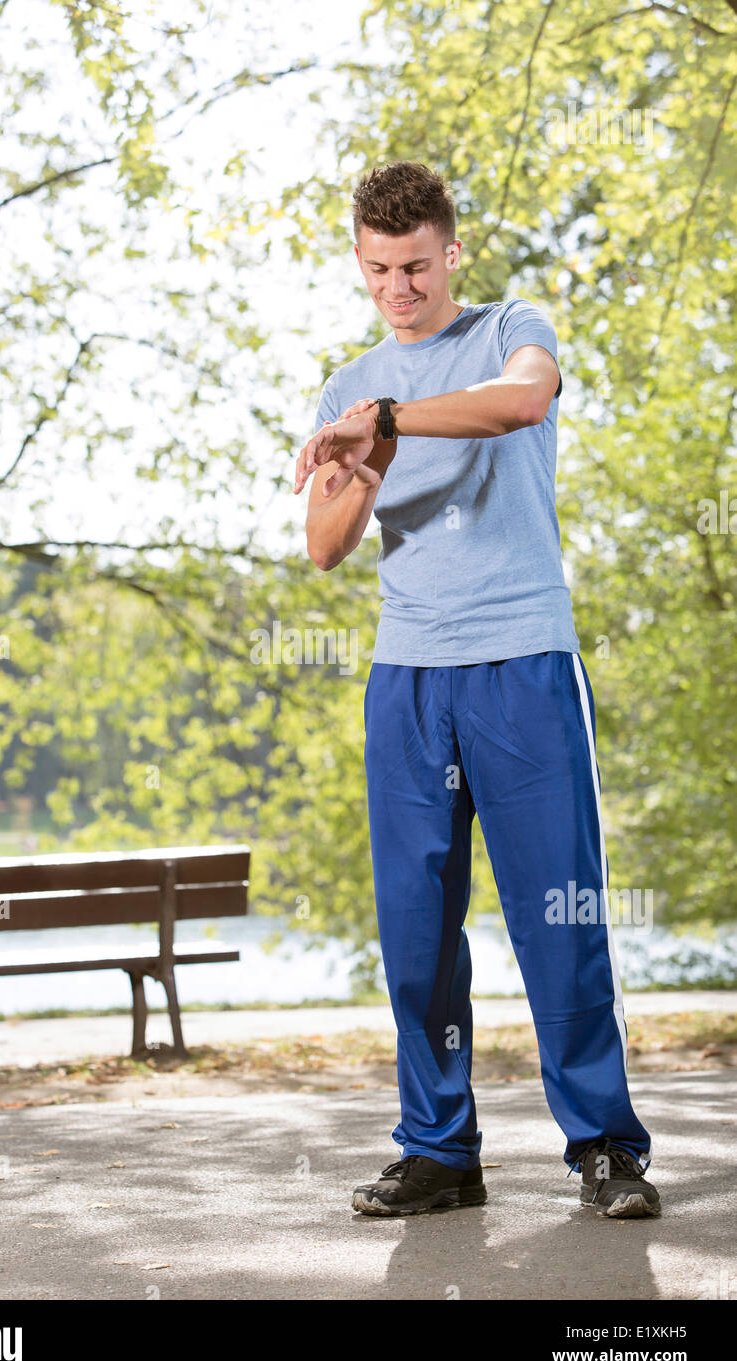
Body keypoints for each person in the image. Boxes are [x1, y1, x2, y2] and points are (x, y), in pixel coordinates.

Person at [293, 160, 660, 1220]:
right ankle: (438, 1150)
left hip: (521, 663)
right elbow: (322, 548)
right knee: (414, 930)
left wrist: (392, 423)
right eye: (376, 269)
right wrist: (353, 464)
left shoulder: (510, 327)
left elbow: (522, 402)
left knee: (558, 914)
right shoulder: (346, 385)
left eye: (413, 266)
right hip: (406, 676)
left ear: (450, 251)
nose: (396, 289)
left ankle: (601, 1145)